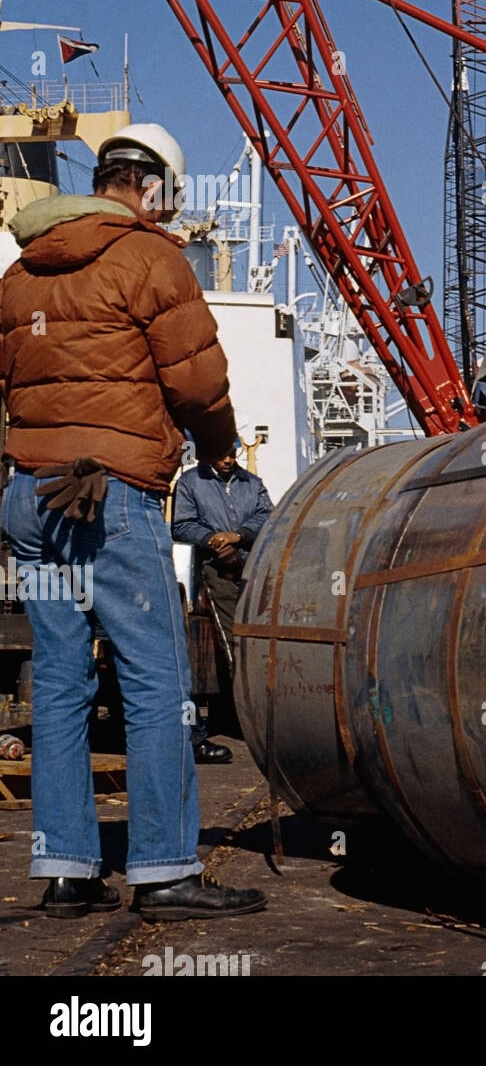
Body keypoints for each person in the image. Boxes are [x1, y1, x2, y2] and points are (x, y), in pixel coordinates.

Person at [0, 123, 265, 921]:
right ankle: (163, 872)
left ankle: (69, 871)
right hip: (109, 494)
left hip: (32, 498)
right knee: (155, 682)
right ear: (153, 190)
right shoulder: (152, 258)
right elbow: (199, 385)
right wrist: (218, 454)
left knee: (59, 681)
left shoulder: (18, 277)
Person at [172, 444, 272, 755]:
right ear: (205, 453)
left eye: (231, 453)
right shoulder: (190, 483)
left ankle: (243, 715)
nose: (228, 459)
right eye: (221, 454)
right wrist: (213, 541)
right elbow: (182, 524)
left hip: (251, 566)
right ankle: (247, 719)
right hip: (216, 571)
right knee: (234, 643)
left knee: (256, 638)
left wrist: (239, 535)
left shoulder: (251, 483)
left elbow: (268, 517)